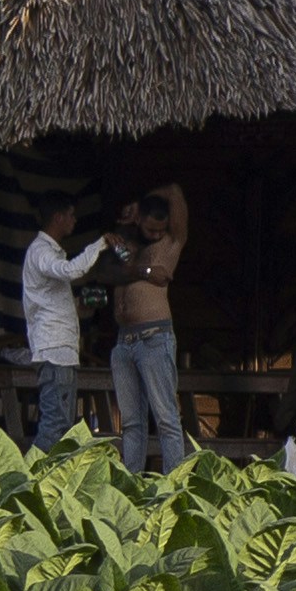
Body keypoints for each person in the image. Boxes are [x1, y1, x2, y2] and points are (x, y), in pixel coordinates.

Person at [16, 199, 114, 449]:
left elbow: (52, 302)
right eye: (71, 215)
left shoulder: (48, 252)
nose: (74, 220)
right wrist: (101, 243)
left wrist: (80, 307)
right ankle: (29, 481)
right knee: (53, 426)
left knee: (61, 427)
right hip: (54, 351)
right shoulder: (40, 251)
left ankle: (44, 481)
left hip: (62, 351)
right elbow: (70, 271)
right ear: (58, 217)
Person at [108, 183, 192, 470]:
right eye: (151, 228)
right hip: (124, 342)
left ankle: (173, 487)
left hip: (154, 338)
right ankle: (131, 485)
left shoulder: (170, 245)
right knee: (131, 423)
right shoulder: (128, 249)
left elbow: (175, 192)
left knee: (167, 419)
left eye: (161, 229)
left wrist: (142, 199)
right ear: (139, 220)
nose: (156, 234)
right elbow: (108, 270)